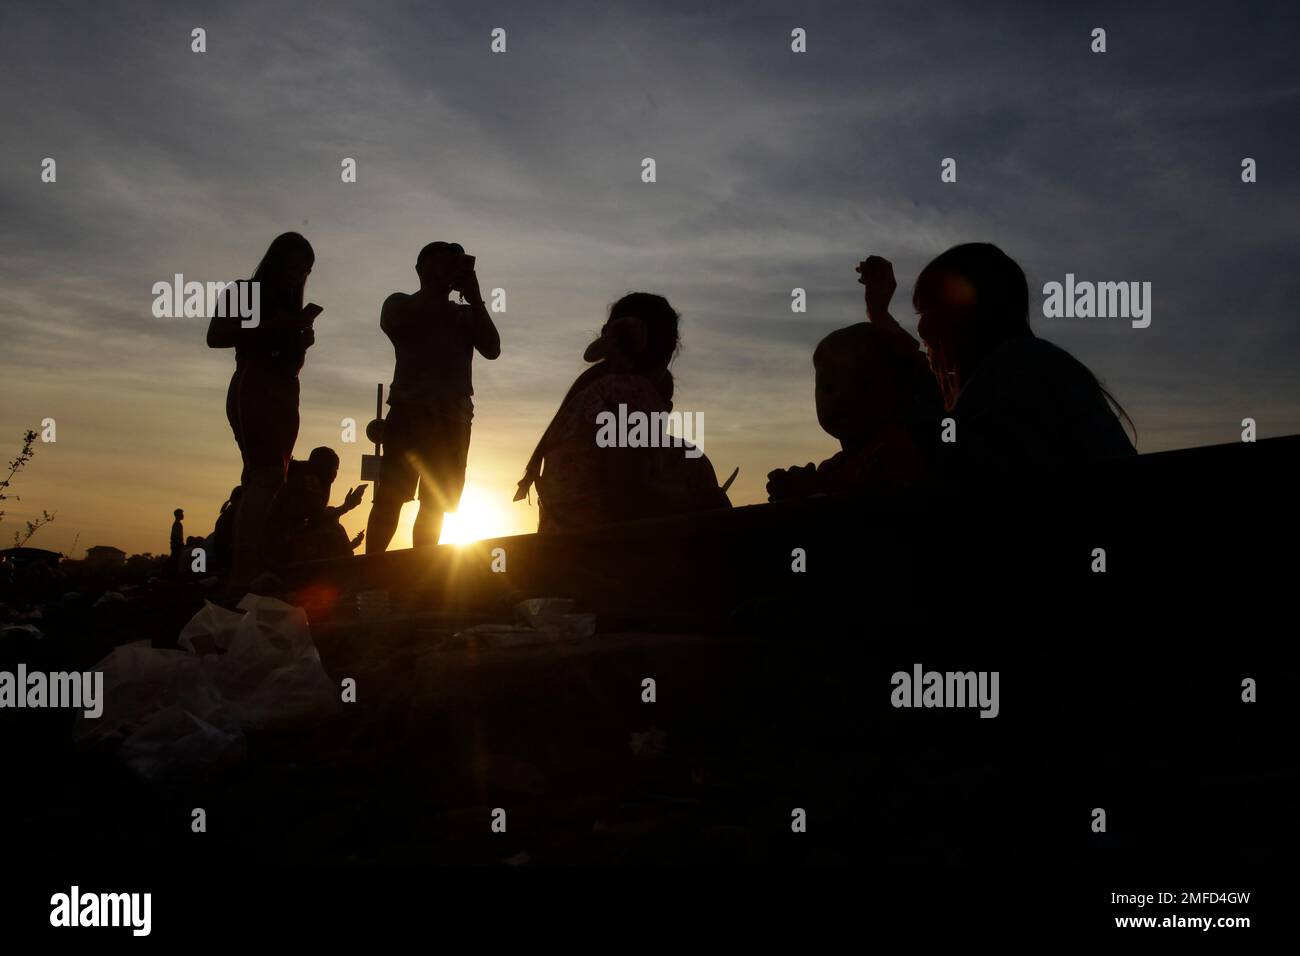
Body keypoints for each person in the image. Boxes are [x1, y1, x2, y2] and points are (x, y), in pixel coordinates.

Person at [857, 245, 1136, 476]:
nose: (922, 329)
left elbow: (971, 461)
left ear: (978, 313)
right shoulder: (1023, 366)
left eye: (934, 309)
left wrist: (902, 408)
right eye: (921, 314)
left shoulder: (1024, 367)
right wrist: (879, 313)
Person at [516, 292, 730, 531]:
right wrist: (702, 502)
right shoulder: (634, 395)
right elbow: (629, 498)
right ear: (669, 352)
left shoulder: (588, 397)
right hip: (603, 552)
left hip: (559, 550)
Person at [366, 242, 501, 552]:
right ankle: (371, 574)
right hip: (410, 413)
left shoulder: (466, 314)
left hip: (454, 420)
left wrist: (474, 294)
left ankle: (419, 578)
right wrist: (439, 287)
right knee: (390, 498)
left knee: (435, 504)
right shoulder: (399, 303)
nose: (449, 268)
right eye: (441, 261)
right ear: (421, 268)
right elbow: (396, 323)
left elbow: (492, 348)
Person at [207, 232, 320, 589]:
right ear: (278, 260)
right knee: (266, 475)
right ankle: (243, 573)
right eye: (294, 266)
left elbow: (292, 361)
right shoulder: (246, 291)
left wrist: (301, 339)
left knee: (267, 478)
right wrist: (272, 328)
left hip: (286, 389)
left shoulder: (289, 306)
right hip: (255, 383)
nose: (298, 276)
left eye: (306, 271)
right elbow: (216, 334)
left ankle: (250, 564)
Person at [766, 319, 942, 501]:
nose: (840, 395)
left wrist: (812, 485)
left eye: (860, 382)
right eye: (828, 385)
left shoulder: (896, 448)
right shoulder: (836, 465)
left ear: (900, 391)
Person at [272, 447, 366, 563]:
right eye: (334, 469)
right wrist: (346, 507)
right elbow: (319, 517)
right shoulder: (309, 480)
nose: (335, 475)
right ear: (326, 467)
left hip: (285, 538)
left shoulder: (302, 476)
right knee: (334, 530)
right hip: (283, 541)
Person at [169, 508, 185, 574]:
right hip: (177, 546)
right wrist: (180, 545)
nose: (183, 515)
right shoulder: (177, 524)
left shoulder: (177, 524)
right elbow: (176, 536)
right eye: (181, 514)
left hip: (176, 545)